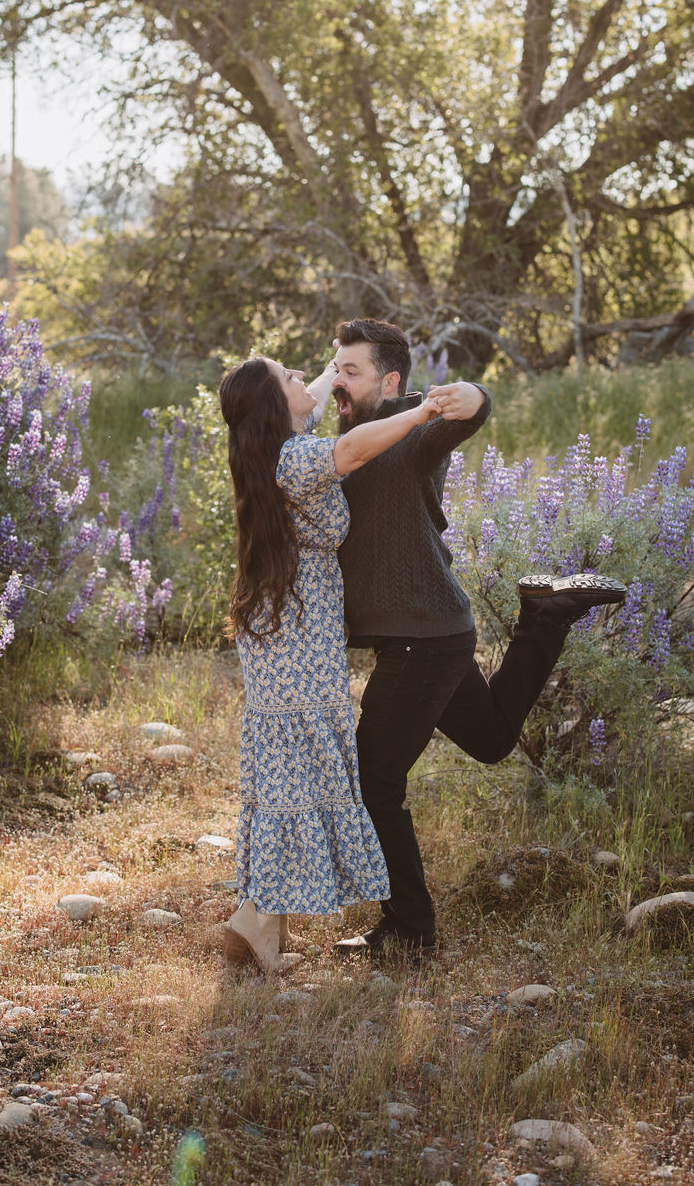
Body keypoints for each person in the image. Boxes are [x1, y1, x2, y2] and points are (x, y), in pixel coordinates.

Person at [328, 318, 627, 960]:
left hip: (422, 642)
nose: (337, 381)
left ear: (391, 380)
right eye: (335, 366)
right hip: (435, 631)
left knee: (374, 781)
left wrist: (472, 395)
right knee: (493, 741)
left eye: (350, 371)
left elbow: (463, 414)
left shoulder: (410, 427)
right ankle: (544, 618)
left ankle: (409, 930)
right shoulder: (351, 433)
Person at [217, 353, 443, 973]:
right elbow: (356, 450)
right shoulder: (295, 458)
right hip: (298, 647)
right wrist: (421, 411)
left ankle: (257, 924)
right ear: (274, 405)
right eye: (292, 379)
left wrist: (332, 368)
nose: (310, 383)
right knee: (301, 773)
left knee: (288, 775)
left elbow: (308, 393)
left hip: (284, 640)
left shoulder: (273, 448)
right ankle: (257, 920)